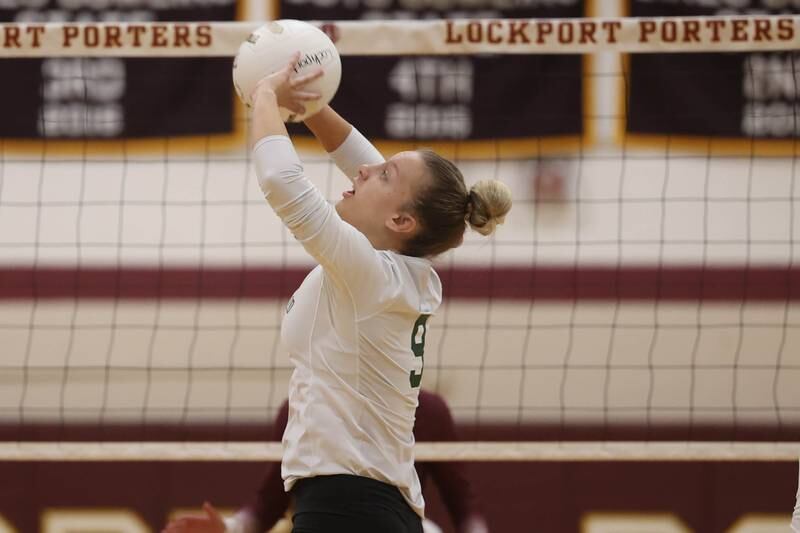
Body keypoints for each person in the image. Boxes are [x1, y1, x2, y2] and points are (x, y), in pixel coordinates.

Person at [166, 53, 511, 533]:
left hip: (350, 507)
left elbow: (281, 182)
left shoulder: (369, 272)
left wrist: (263, 96)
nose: (364, 172)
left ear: (401, 221)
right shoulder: (399, 269)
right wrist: (308, 105)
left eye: (383, 174)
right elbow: (362, 160)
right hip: (363, 506)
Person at [164, 390, 489, 533]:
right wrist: (231, 528)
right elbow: (269, 503)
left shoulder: (427, 410)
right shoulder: (300, 410)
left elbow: (466, 511)